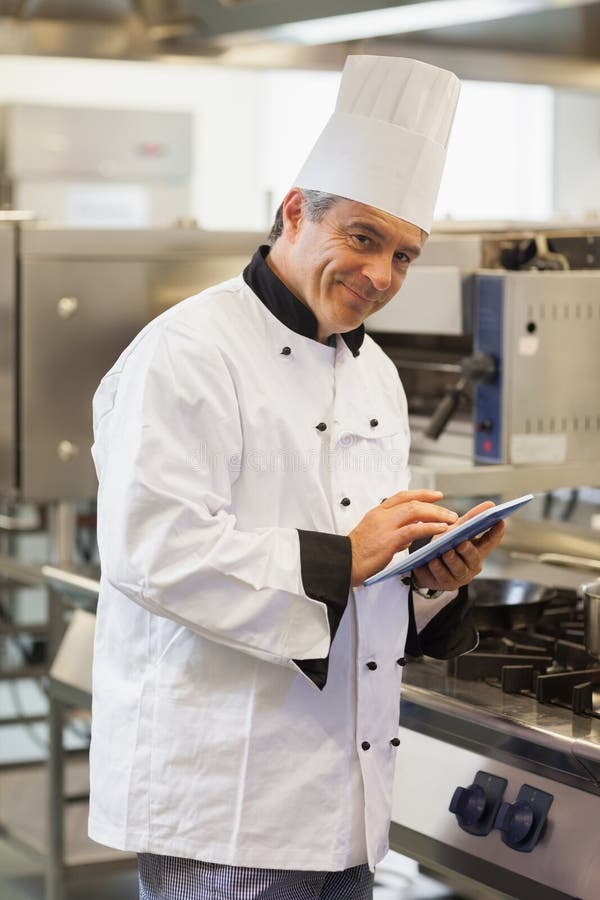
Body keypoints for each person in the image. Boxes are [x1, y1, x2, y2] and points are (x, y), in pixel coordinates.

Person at [88, 55, 505, 900]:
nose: (381, 276)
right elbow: (151, 550)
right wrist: (341, 558)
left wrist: (434, 579)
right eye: (362, 239)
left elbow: (370, 565)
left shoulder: (375, 373)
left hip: (348, 808)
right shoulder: (187, 352)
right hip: (223, 806)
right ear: (293, 212)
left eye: (403, 255)